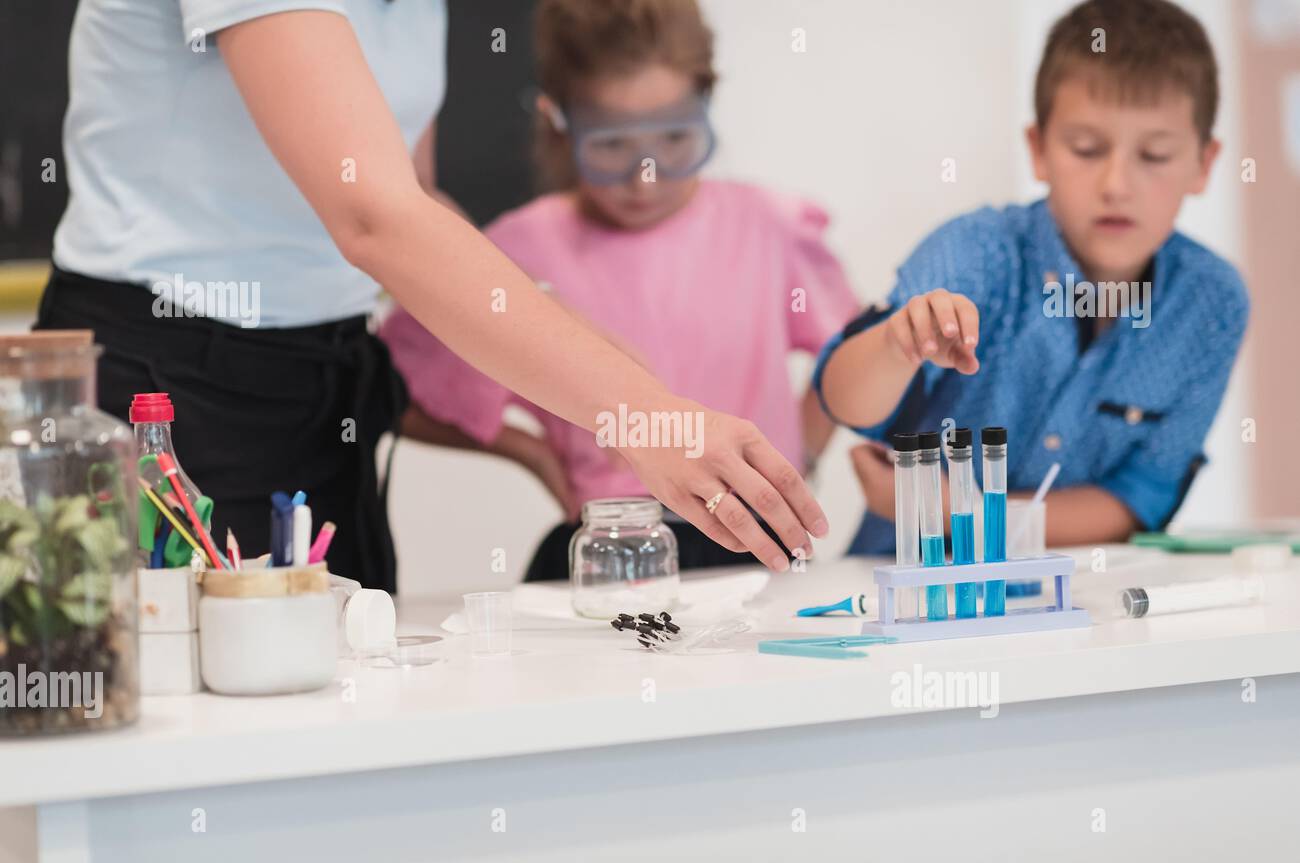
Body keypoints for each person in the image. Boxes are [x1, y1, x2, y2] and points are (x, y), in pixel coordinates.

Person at [34, 0, 829, 590]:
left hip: (328, 371)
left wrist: (567, 324)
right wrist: (639, 410)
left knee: (341, 713)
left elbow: (415, 193)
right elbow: (373, 217)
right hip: (168, 381)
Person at [382, 0, 856, 580]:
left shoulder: (767, 225)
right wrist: (530, 453)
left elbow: (848, 354)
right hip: (605, 555)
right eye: (611, 145)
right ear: (557, 119)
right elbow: (393, 387)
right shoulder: (515, 252)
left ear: (706, 108)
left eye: (675, 138)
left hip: (753, 551)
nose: (645, 177)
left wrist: (794, 455)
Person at [814, 0, 1247, 553]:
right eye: (1086, 149)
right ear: (1039, 149)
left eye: (1155, 155)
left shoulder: (1213, 303)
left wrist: (949, 509)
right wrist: (897, 344)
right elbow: (847, 404)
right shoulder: (975, 253)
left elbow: (1138, 502)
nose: (1117, 184)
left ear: (1204, 165)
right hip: (909, 597)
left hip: (1087, 610)